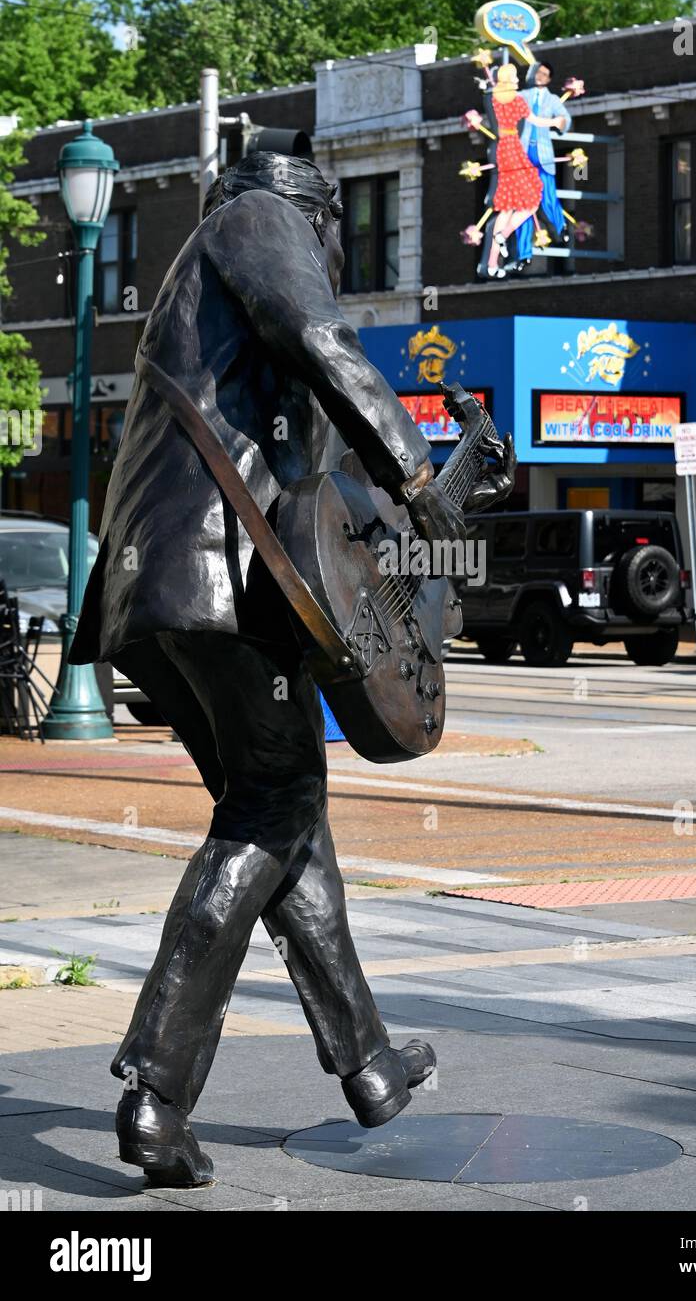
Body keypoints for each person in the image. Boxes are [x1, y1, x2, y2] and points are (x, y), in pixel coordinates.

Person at [70, 151, 514, 1187]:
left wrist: (441, 489)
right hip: (218, 585)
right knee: (268, 811)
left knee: (290, 819)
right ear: (312, 215)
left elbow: (331, 504)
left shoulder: (217, 313)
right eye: (333, 237)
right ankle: (157, 1087)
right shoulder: (257, 215)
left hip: (169, 595)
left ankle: (367, 1063)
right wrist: (418, 464)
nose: (328, 258)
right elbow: (324, 339)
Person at [484, 63, 563, 278]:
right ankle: (505, 235)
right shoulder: (517, 100)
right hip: (514, 149)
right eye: (515, 77)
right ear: (508, 79)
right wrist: (555, 121)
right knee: (532, 200)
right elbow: (535, 120)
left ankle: (492, 263)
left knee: (506, 208)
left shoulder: (494, 99)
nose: (519, 80)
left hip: (504, 148)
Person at [513, 61, 570, 264]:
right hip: (523, 153)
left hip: (543, 153)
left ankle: (560, 227)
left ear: (549, 79)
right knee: (523, 206)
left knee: (548, 195)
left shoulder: (552, 100)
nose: (540, 76)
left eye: (545, 74)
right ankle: (524, 253)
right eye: (538, 72)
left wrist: (561, 122)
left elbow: (565, 118)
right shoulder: (522, 96)